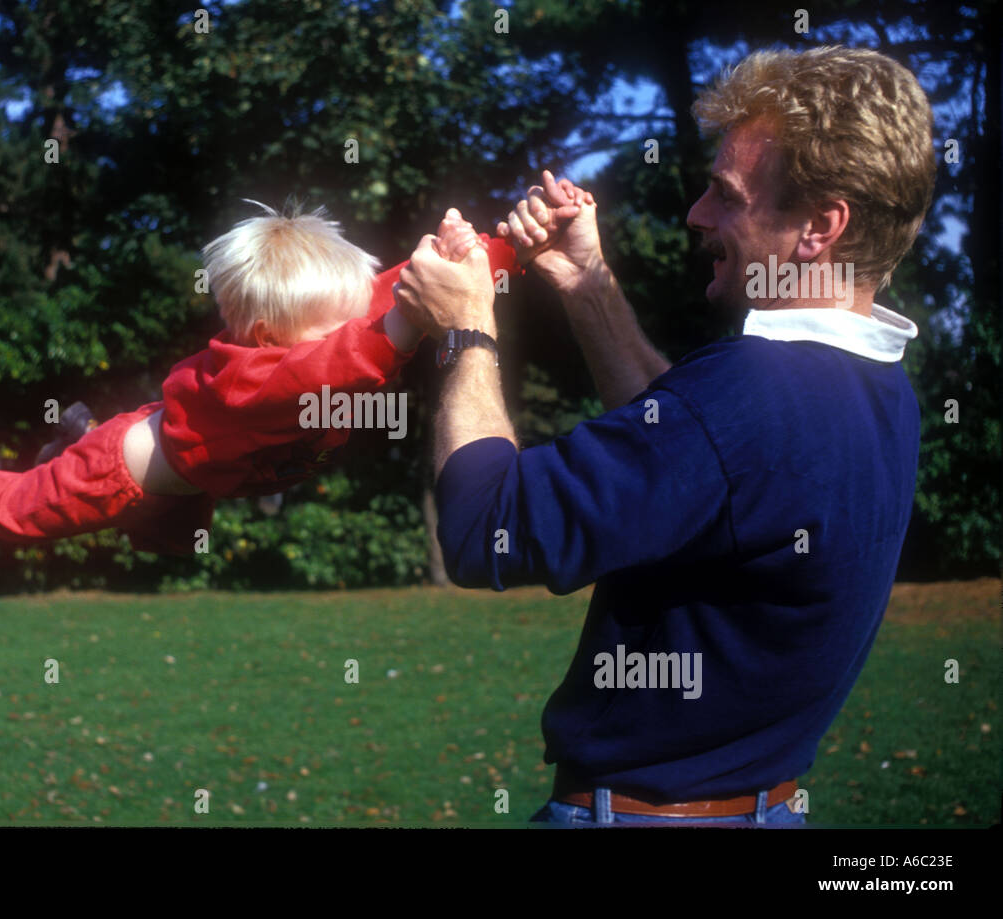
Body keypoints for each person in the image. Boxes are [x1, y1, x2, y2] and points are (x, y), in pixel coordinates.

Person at [394, 45, 935, 826]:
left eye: (726, 194)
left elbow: (487, 530)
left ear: (820, 226)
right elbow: (696, 459)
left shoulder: (753, 392)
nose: (698, 216)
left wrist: (465, 326)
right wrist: (587, 286)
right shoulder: (877, 390)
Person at [0, 204, 516, 554]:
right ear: (270, 340)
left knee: (172, 536)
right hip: (118, 472)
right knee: (13, 510)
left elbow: (389, 297)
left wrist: (513, 238)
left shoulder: (309, 344)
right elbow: (348, 352)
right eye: (334, 326)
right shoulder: (277, 376)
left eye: (353, 318)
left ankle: (78, 434)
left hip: (188, 464)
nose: (354, 328)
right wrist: (410, 318)